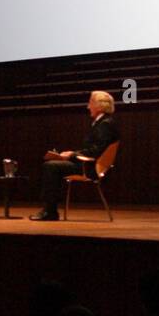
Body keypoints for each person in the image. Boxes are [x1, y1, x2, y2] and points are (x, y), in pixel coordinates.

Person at [30, 90, 120, 221]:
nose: (88, 107)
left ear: (99, 106)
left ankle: (50, 211)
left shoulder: (105, 124)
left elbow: (96, 151)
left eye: (90, 103)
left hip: (91, 168)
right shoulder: (104, 122)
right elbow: (94, 149)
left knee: (51, 166)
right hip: (90, 164)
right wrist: (72, 154)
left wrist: (72, 155)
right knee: (53, 165)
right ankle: (50, 209)